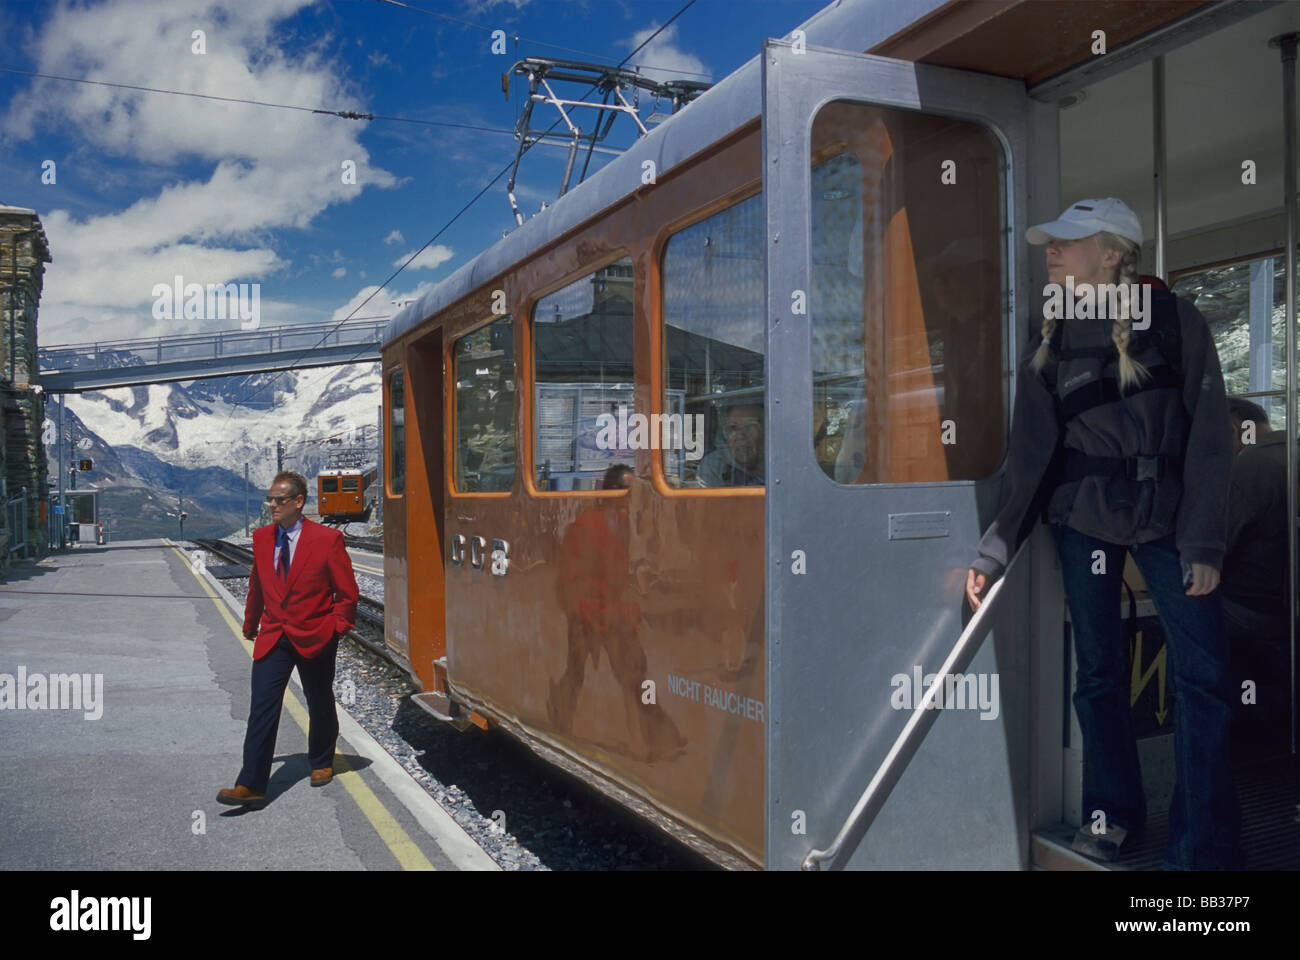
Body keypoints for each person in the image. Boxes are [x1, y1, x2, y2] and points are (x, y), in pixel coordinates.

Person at [965, 198, 1241, 870]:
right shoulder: (1049, 337)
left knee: (1203, 678)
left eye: (1066, 242)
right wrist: (994, 549)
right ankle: (1111, 813)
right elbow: (1033, 454)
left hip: (1172, 519)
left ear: (1113, 253)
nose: (1050, 253)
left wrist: (1203, 544)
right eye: (1049, 244)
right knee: (1098, 673)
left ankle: (1202, 848)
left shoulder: (1177, 321)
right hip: (1083, 518)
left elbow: (1211, 435)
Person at [217, 471, 359, 807]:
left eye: (280, 500)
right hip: (274, 634)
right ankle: (251, 783)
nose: (273, 505)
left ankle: (322, 759)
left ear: (299, 502)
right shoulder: (263, 537)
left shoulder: (327, 540)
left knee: (319, 699)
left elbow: (347, 593)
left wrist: (337, 626)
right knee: (263, 706)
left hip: (316, 635)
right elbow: (258, 583)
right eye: (270, 499)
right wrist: (251, 623)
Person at [1222, 397, 1291, 746]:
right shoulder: (1289, 452)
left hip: (1255, 611)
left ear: (1234, 429)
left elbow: (1214, 548)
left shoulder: (1249, 468)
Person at [697, 402, 764, 487]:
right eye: (733, 428)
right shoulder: (715, 465)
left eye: (750, 427)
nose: (740, 435)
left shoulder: (780, 462)